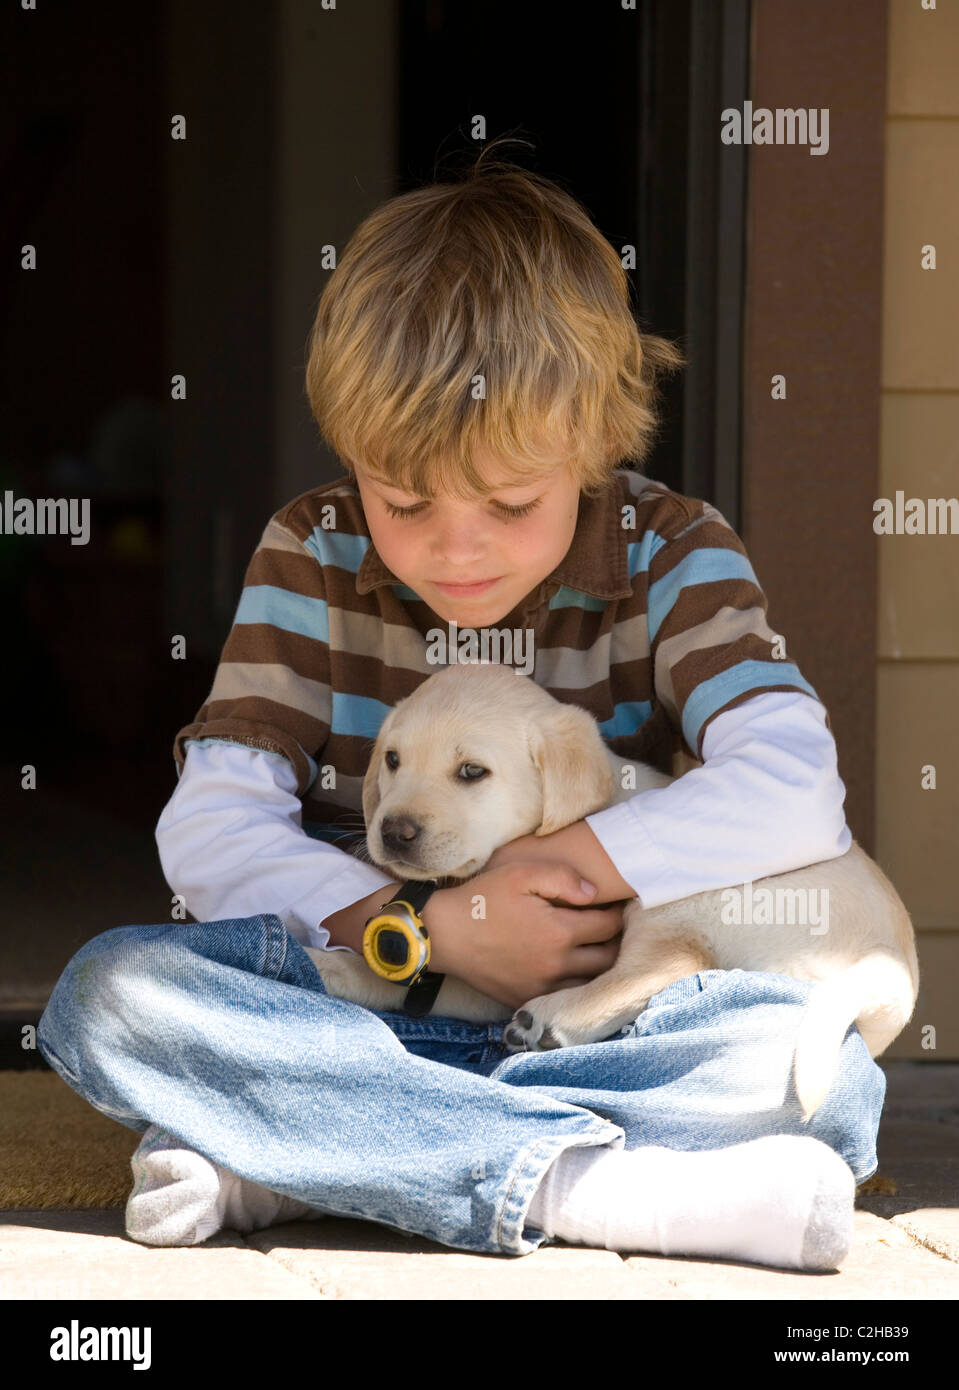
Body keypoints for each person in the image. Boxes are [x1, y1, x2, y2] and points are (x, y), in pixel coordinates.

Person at [37, 148, 883, 1271]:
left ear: (589, 451)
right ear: (350, 459)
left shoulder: (674, 551)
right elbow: (209, 832)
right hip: (371, 1000)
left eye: (510, 500)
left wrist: (560, 874)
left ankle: (294, 1153)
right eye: (404, 499)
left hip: (600, 1017)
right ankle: (594, 1187)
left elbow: (792, 786)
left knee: (811, 1068)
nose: (456, 545)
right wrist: (433, 927)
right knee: (111, 998)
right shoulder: (313, 552)